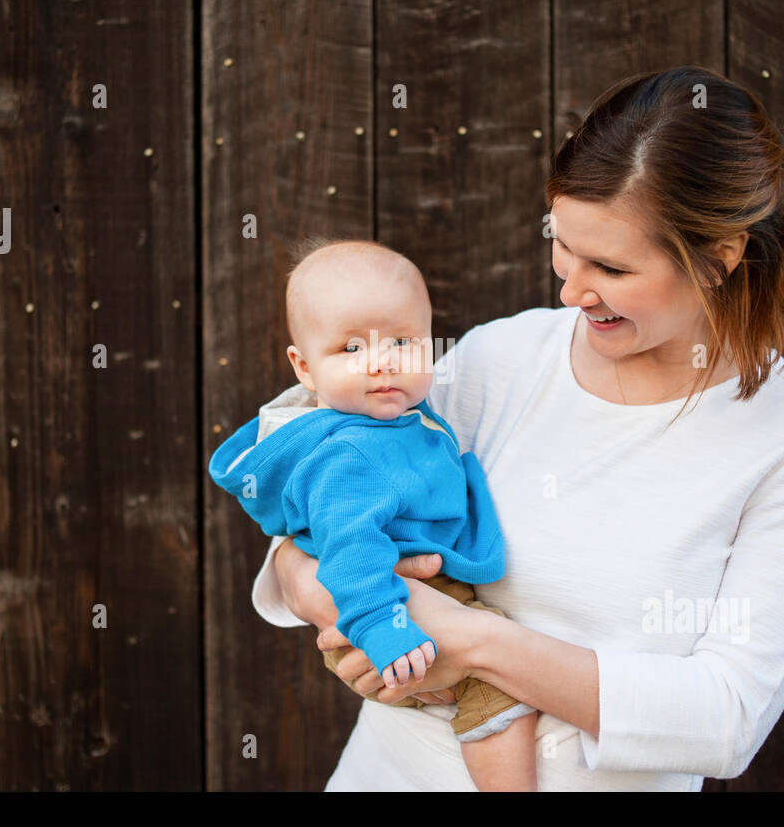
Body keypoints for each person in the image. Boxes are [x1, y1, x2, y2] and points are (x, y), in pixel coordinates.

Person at [252, 66, 784, 790]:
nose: (572, 290)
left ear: (719, 258)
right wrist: (317, 588)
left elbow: (725, 717)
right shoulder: (499, 357)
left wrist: (475, 643)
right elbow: (318, 476)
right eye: (564, 248)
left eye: (609, 265)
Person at [210, 238, 538, 791]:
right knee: (501, 686)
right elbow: (350, 549)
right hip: (377, 608)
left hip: (386, 607)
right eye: (352, 348)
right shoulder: (349, 454)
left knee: (464, 683)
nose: (383, 361)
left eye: (403, 341)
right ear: (304, 367)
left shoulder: (392, 415)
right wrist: (382, 629)